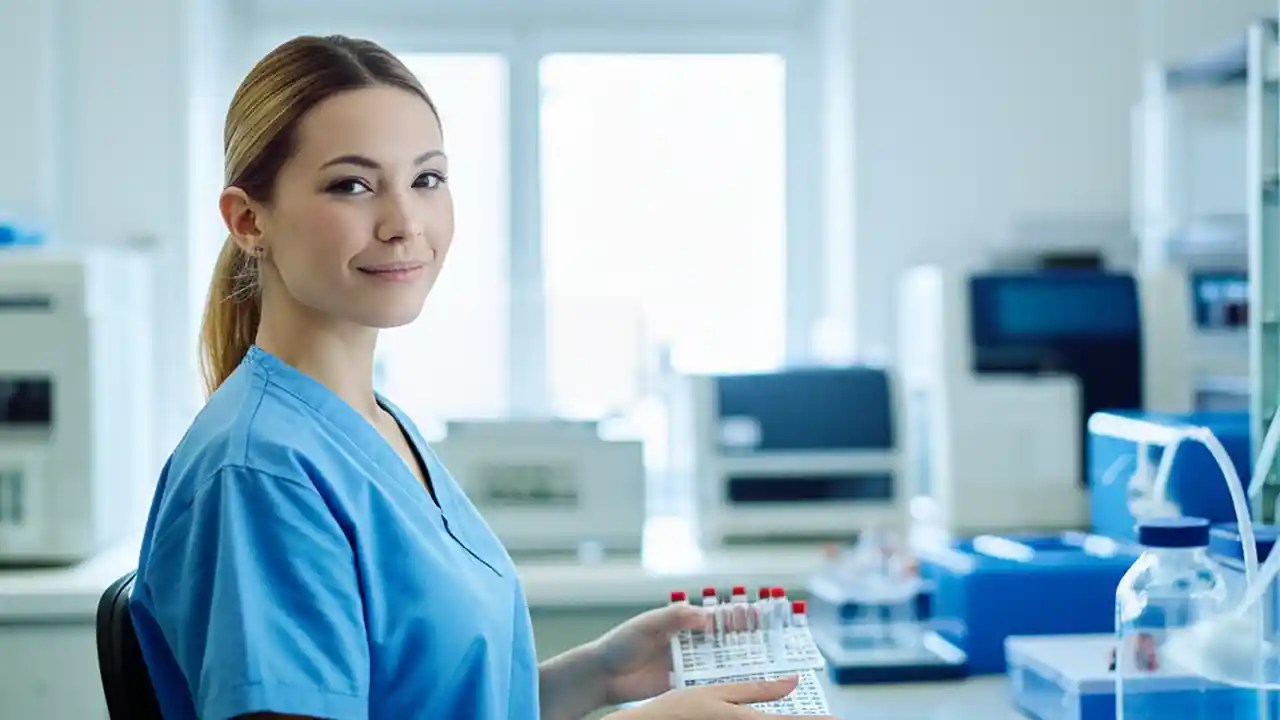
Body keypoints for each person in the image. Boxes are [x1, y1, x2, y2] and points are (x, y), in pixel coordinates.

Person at [129, 34, 829, 720]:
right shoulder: (261, 473)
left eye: (426, 179)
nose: (404, 222)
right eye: (352, 186)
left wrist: (602, 673)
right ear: (248, 220)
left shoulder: (377, 425)